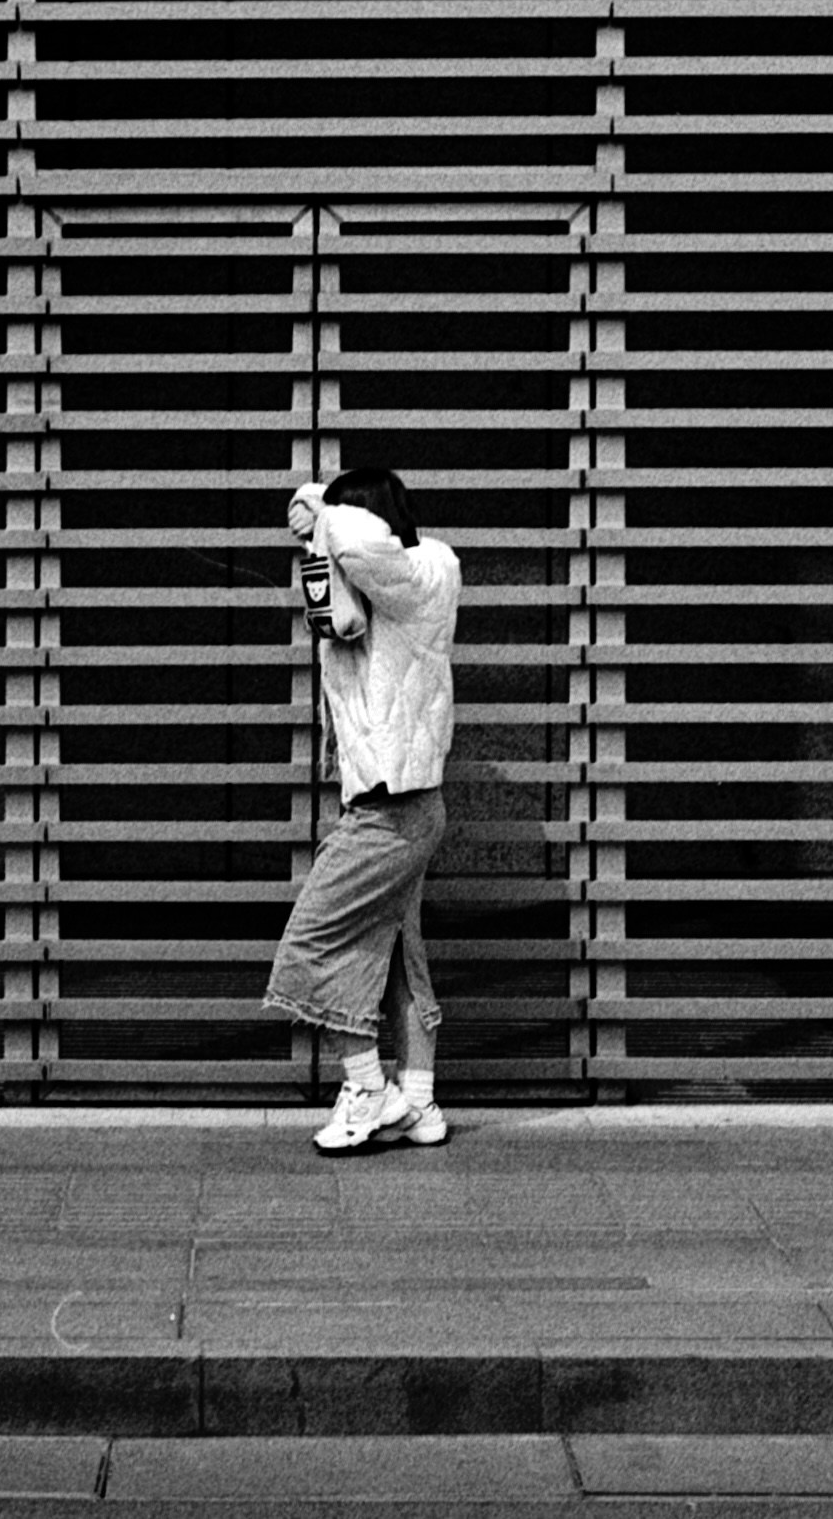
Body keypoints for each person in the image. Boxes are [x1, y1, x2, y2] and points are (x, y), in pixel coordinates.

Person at [264, 468, 464, 1155]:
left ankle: (364, 1087)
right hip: (401, 805)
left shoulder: (424, 570)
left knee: (317, 939)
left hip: (392, 810)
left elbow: (354, 541)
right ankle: (418, 1101)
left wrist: (318, 505)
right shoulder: (378, 587)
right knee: (400, 957)